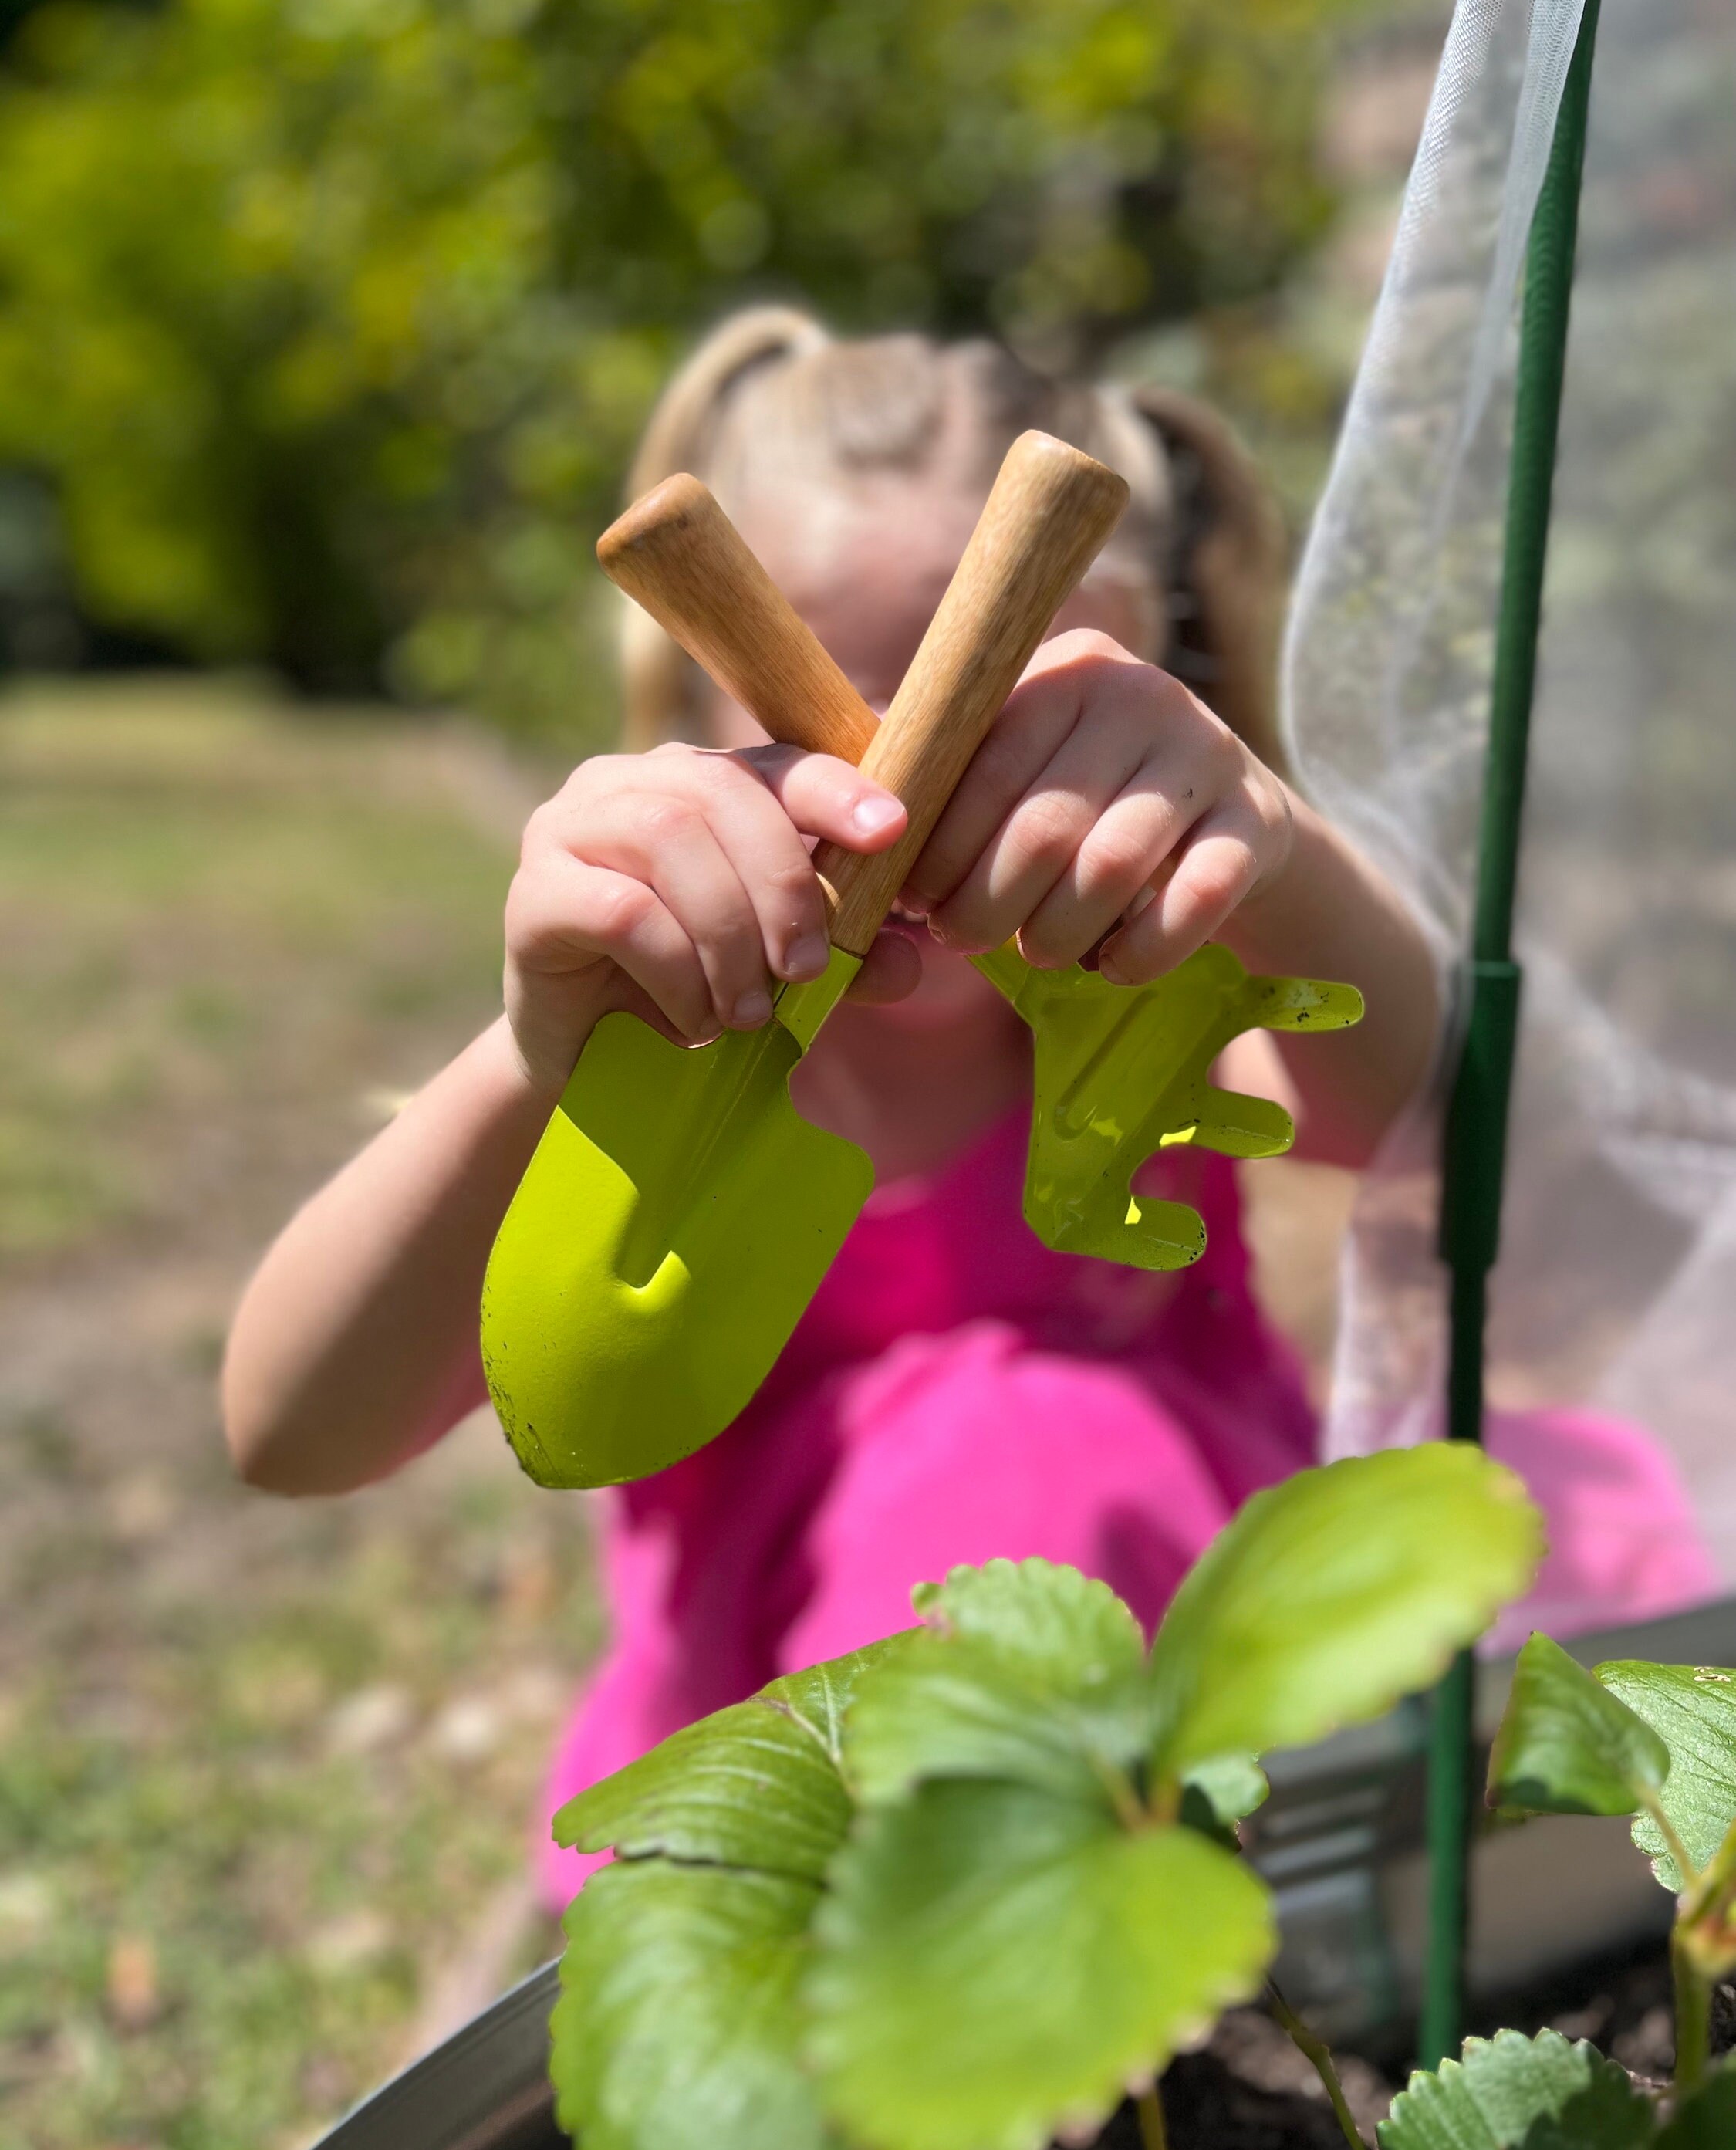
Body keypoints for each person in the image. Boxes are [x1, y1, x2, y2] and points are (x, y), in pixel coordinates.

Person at [219, 310, 1707, 1911]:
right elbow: (293, 1430)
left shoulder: (1143, 996)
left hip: (1194, 1648)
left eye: (1014, 742)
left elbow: (1454, 1124)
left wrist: (1274, 858)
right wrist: (532, 1059)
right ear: (682, 724)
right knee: (1006, 1461)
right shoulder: (652, 1069)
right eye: (809, 729)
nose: (905, 810)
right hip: (819, 1726)